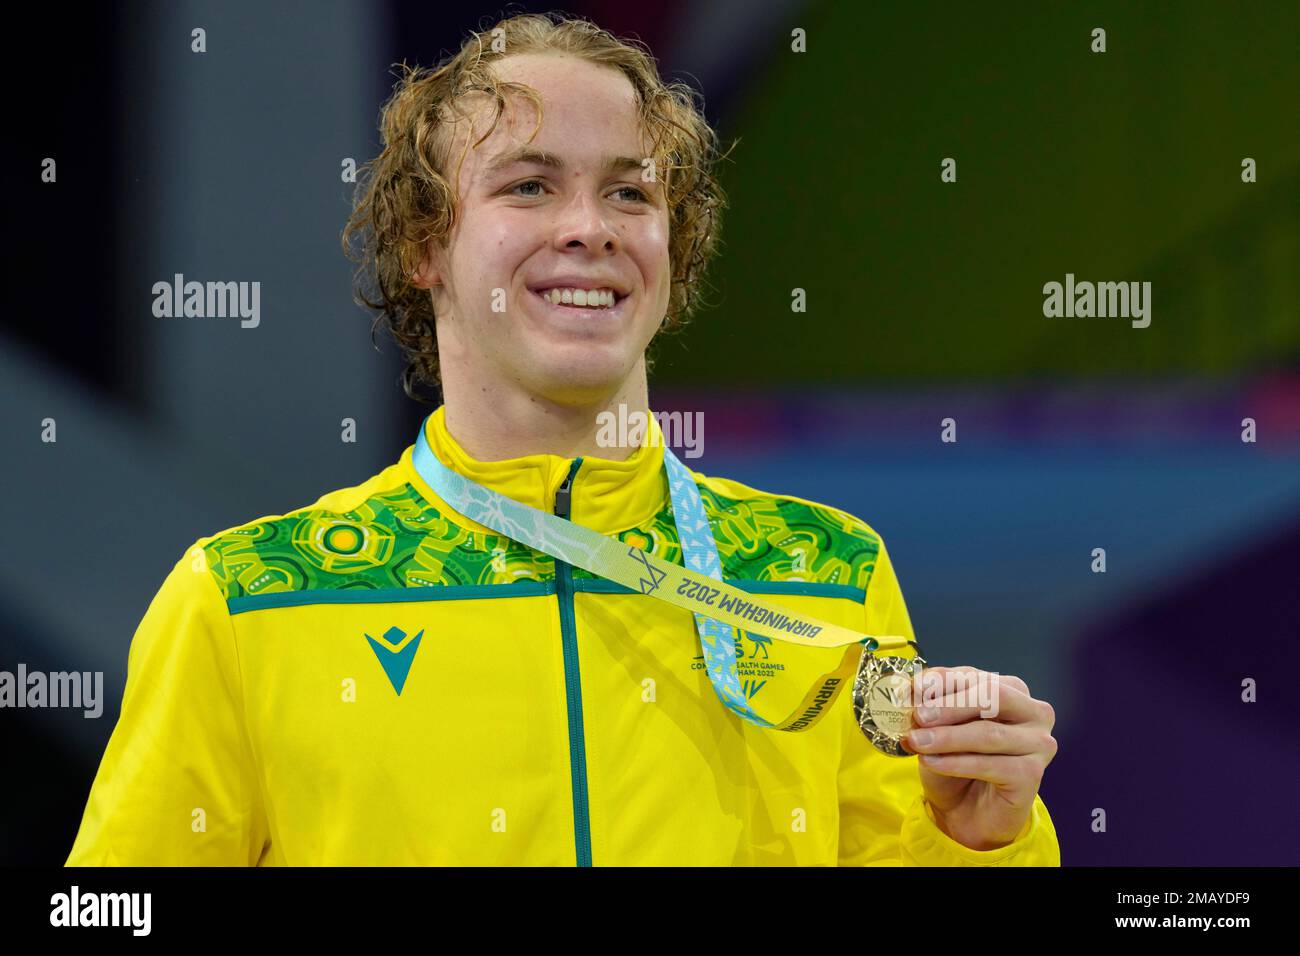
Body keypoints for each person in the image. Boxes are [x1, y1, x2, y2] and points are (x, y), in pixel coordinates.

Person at [66, 12, 1059, 866]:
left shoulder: (825, 572)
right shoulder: (249, 601)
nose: (590, 226)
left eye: (631, 191)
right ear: (425, 247)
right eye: (529, 185)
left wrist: (981, 835)